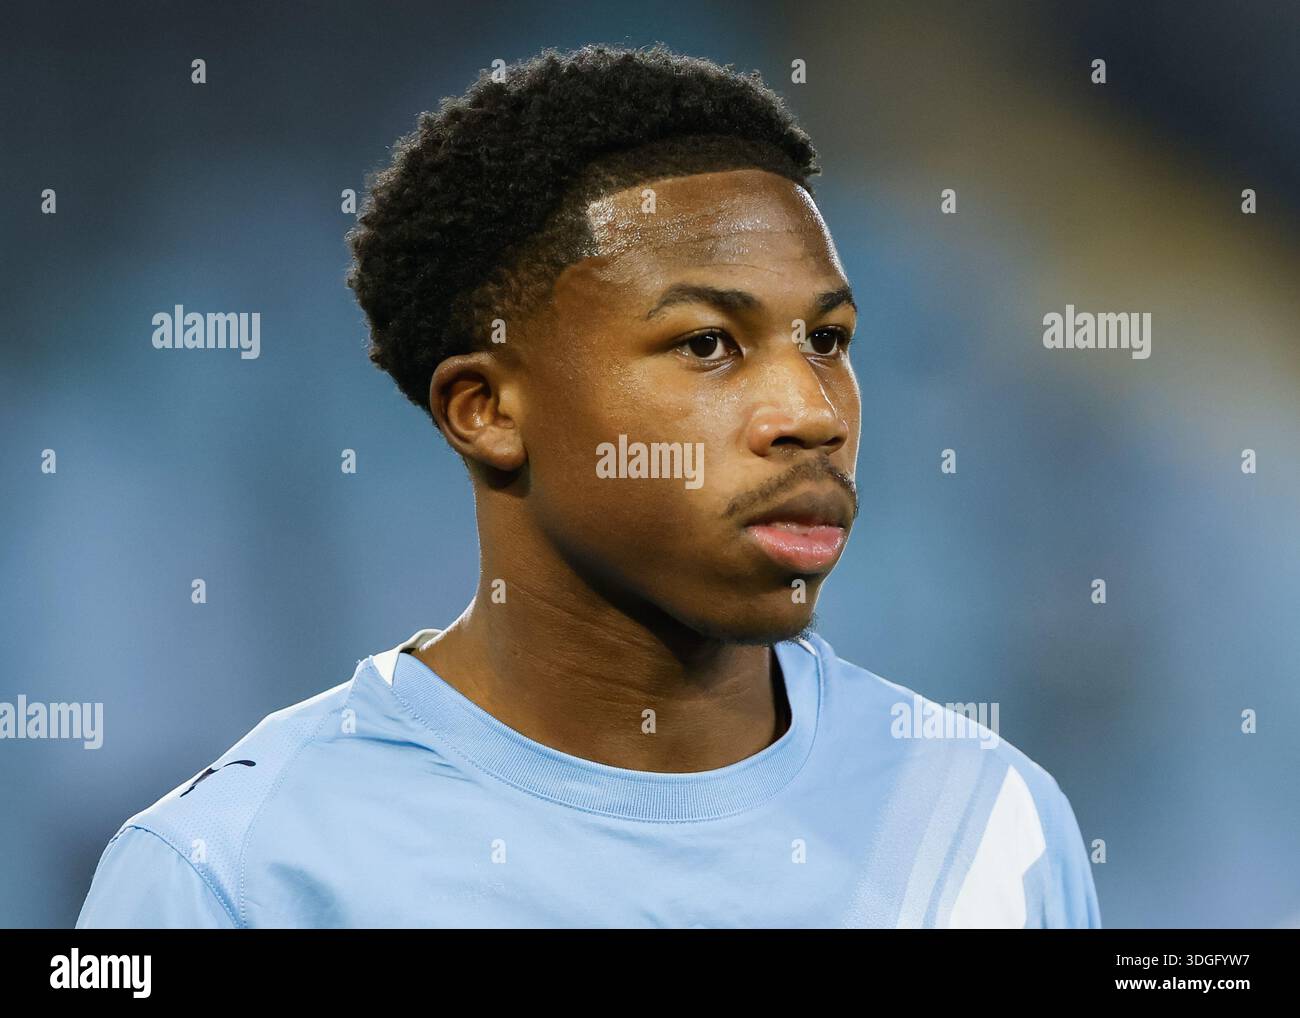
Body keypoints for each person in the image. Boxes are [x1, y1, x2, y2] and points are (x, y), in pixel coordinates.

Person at [77, 43, 1100, 928]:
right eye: (707, 343)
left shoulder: (988, 816)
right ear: (485, 409)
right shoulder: (235, 876)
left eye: (827, 340)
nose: (814, 413)